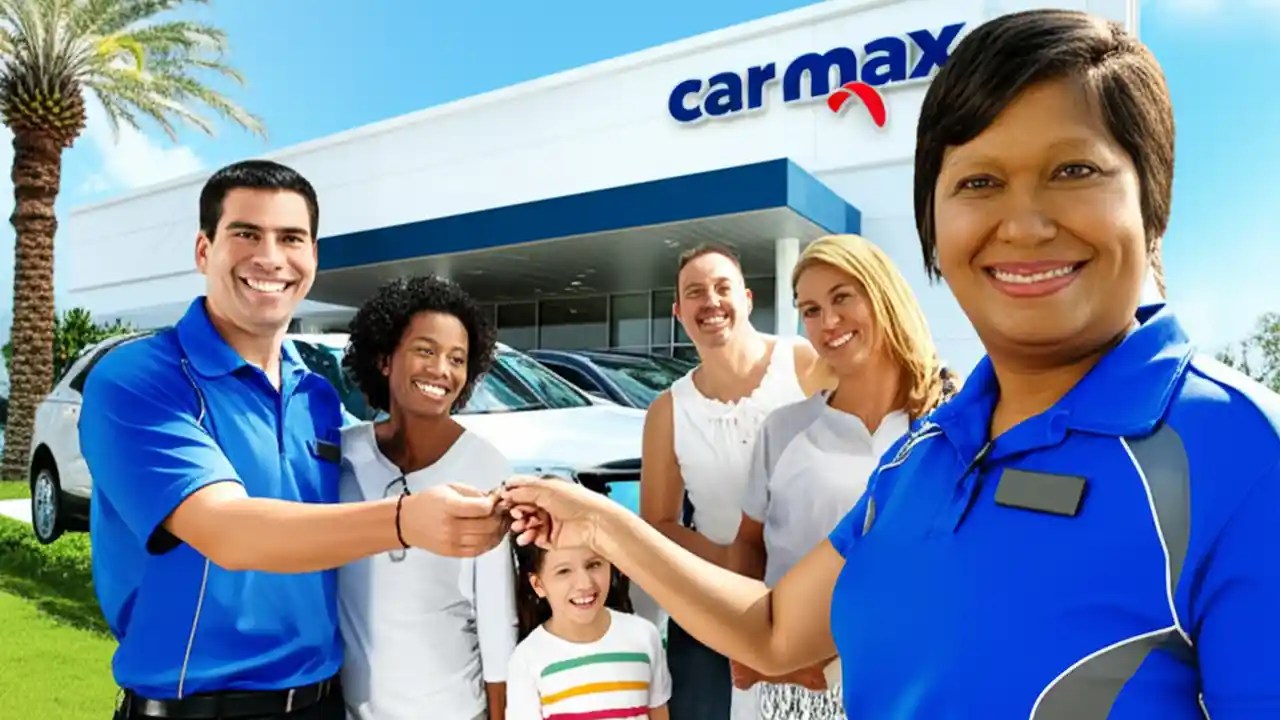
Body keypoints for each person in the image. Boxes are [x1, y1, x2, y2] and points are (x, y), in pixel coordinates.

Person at [500, 9, 1280, 718]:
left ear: (1153, 200)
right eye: (978, 181)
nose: (1024, 222)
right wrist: (598, 523)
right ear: (934, 229)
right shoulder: (925, 453)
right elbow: (774, 631)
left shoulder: (1239, 452)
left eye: (1074, 170)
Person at [79, 160, 510, 720]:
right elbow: (228, 532)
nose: (270, 257)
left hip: (326, 704)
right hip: (196, 708)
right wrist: (405, 520)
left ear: (312, 257)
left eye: (291, 238)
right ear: (203, 251)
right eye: (246, 234)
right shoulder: (140, 379)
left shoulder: (317, 398)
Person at [726, 233, 957, 719]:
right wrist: (749, 645)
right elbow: (748, 546)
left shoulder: (951, 427)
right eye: (809, 309)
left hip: (915, 683)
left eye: (842, 298)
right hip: (796, 688)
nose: (828, 322)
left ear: (882, 296)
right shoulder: (784, 430)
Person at [640, 242, 830, 720]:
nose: (711, 302)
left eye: (722, 288)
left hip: (818, 594)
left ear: (747, 298)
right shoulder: (668, 410)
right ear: (678, 312)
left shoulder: (803, 363)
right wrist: (727, 561)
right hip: (726, 607)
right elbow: (658, 523)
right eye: (695, 293)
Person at [336, 276, 517, 720]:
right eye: (425, 350)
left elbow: (498, 619)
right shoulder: (343, 457)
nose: (441, 370)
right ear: (384, 358)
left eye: (457, 359)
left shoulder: (485, 466)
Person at [505, 530, 671, 720]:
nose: (584, 583)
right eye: (564, 571)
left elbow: (659, 711)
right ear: (538, 585)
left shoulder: (644, 636)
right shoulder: (527, 658)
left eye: (594, 564)